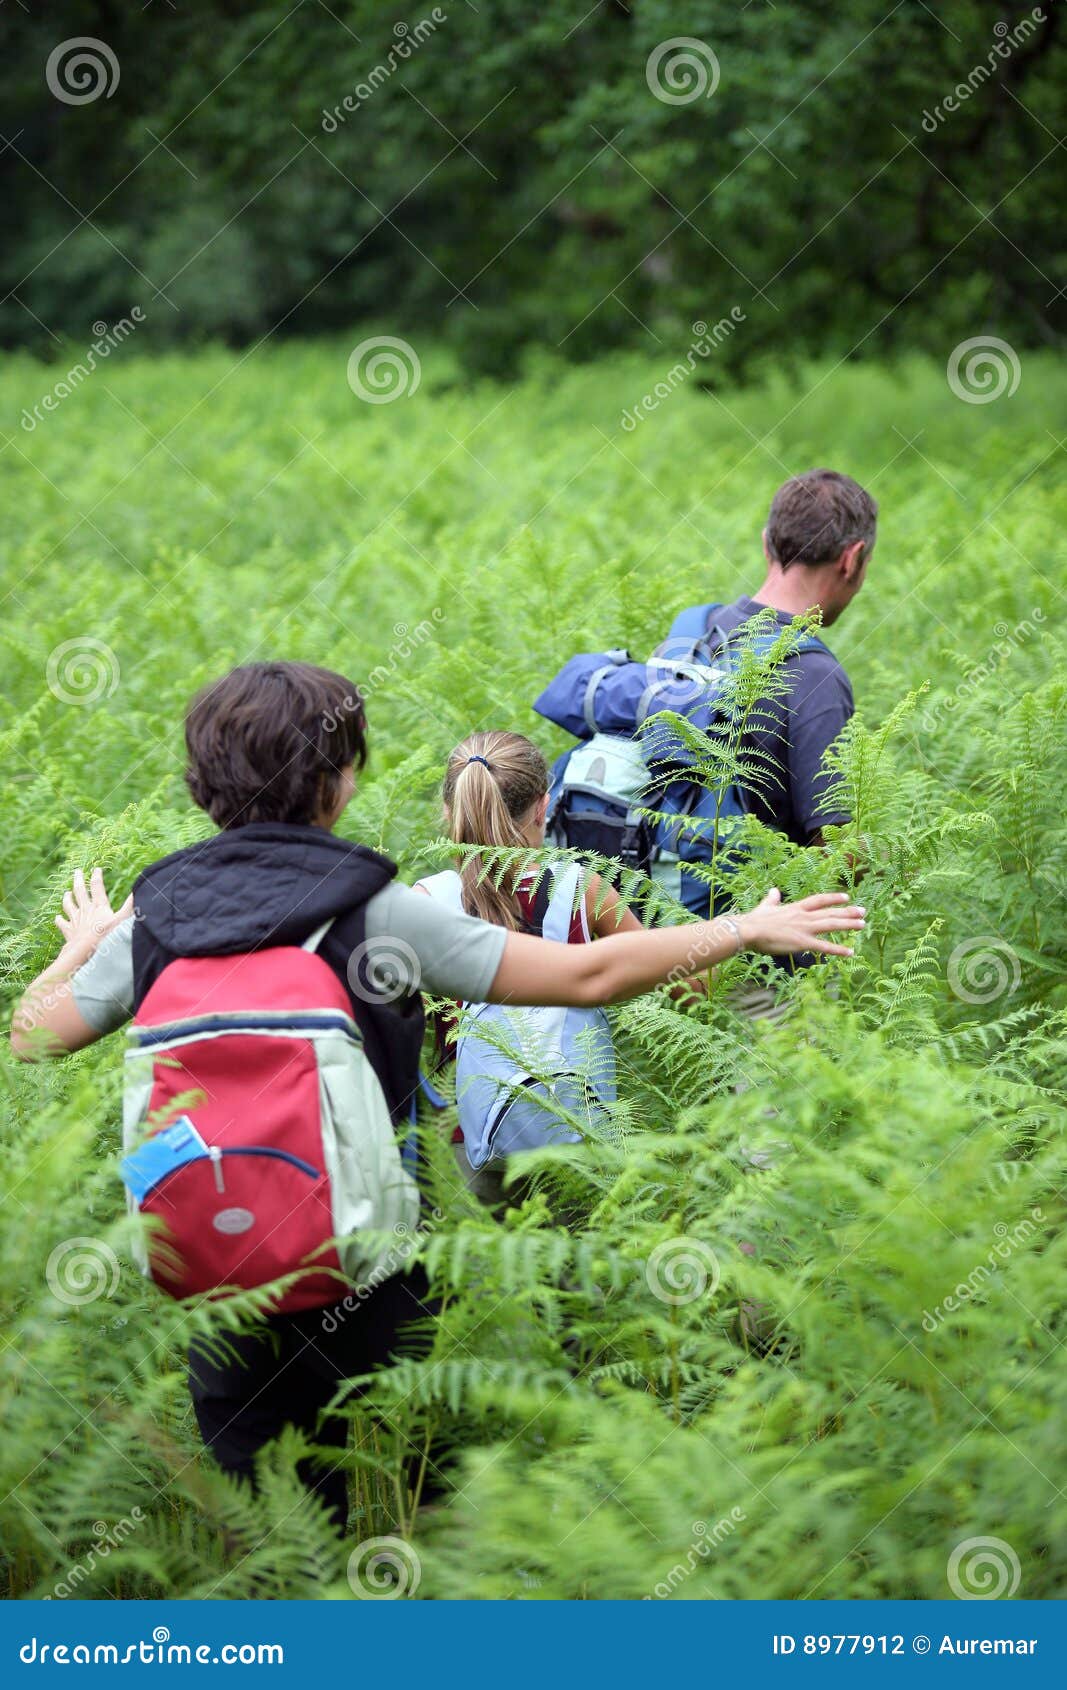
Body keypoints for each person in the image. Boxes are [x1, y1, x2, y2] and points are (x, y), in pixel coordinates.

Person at [10, 661, 864, 1529]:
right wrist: (742, 927)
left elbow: (29, 1036)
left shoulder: (156, 925)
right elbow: (590, 973)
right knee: (414, 1507)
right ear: (339, 784)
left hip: (215, 1276)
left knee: (273, 1534)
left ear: (200, 786)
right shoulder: (370, 911)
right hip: (363, 1269)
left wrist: (83, 944)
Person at [668, 466, 876, 849]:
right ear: (852, 559)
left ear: (767, 545)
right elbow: (836, 852)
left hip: (646, 899)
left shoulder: (693, 630)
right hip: (751, 905)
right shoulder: (815, 675)